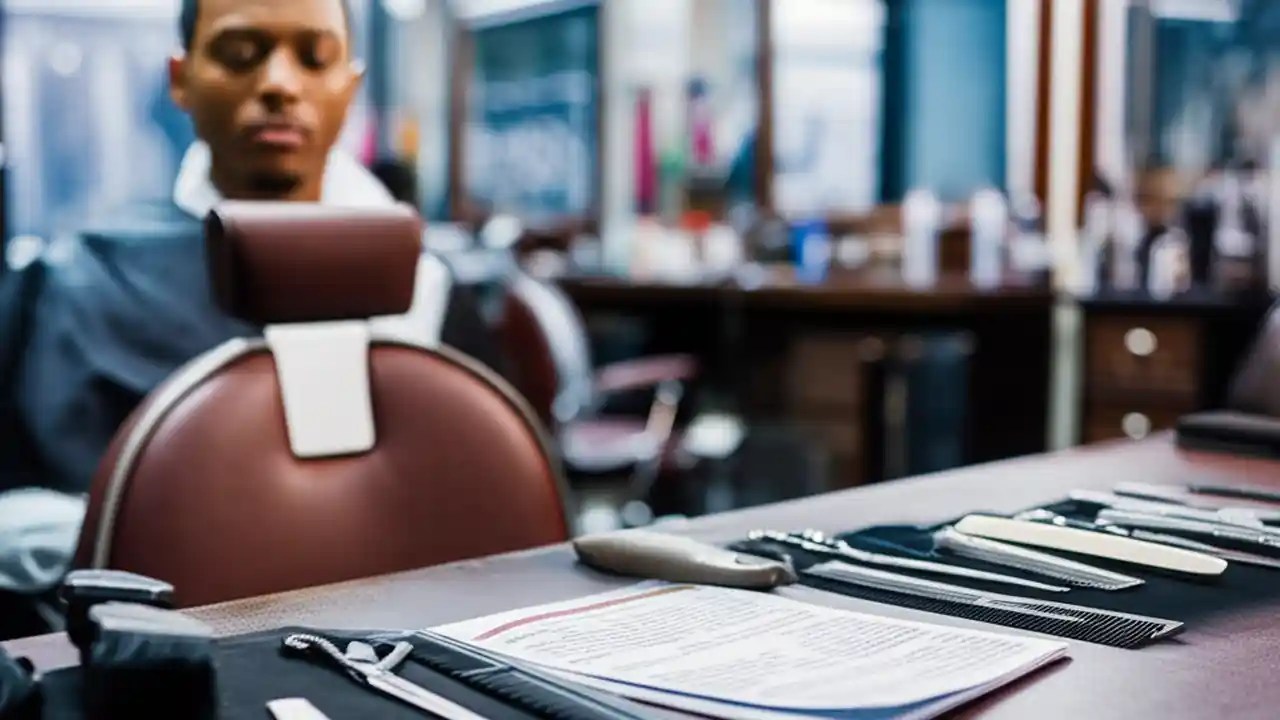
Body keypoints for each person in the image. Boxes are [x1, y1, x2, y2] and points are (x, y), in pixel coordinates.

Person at [0, 0, 502, 620]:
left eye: (315, 57)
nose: (278, 85)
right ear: (181, 79)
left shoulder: (423, 290)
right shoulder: (76, 283)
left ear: (350, 85)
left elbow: (493, 522)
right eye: (242, 55)